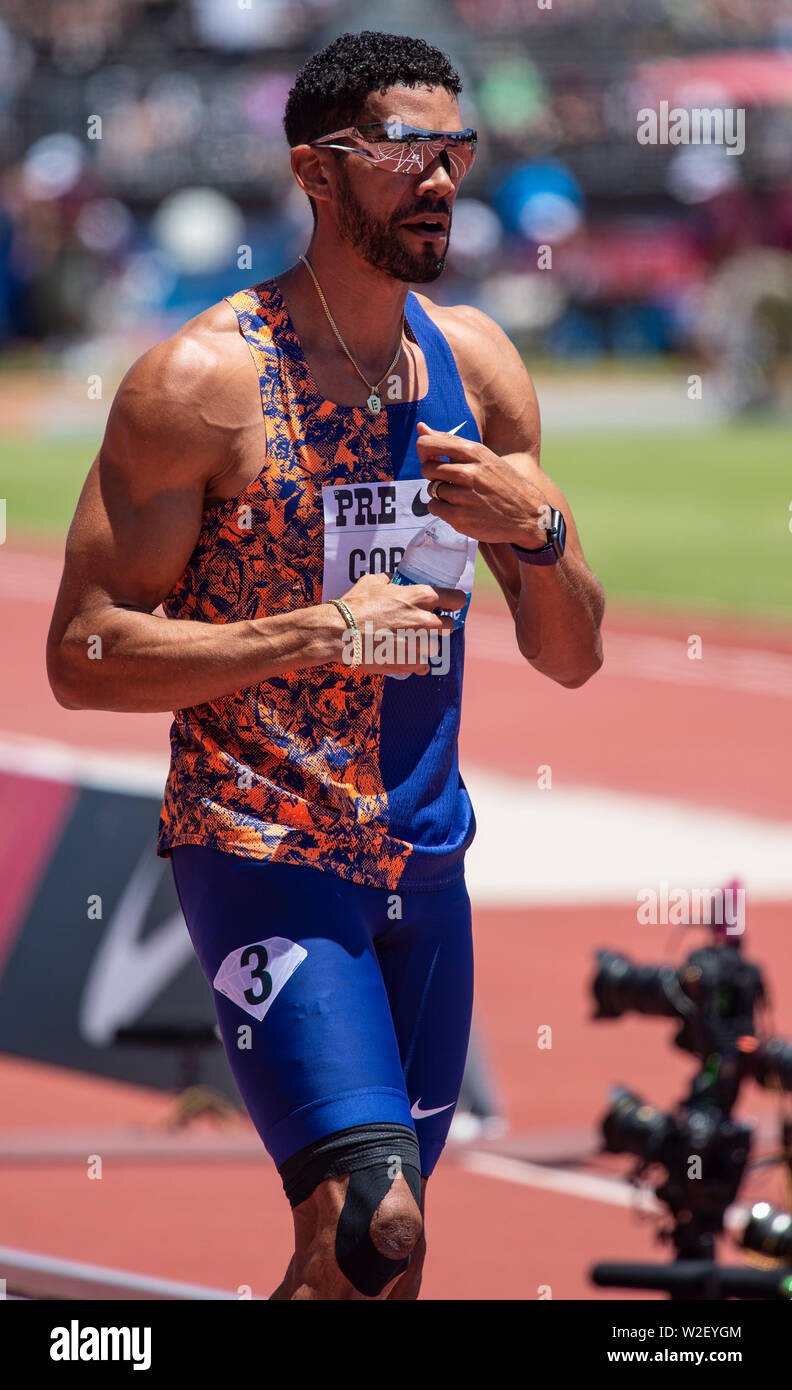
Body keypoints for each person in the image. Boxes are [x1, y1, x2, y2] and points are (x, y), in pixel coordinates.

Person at [47, 30, 604, 1300]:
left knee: (365, 1269)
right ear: (315, 169)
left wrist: (542, 531)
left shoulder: (480, 370)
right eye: (403, 149)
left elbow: (572, 656)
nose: (441, 178)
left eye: (454, 149)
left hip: (425, 861)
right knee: (373, 1226)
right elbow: (82, 654)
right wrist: (308, 629)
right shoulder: (201, 384)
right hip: (264, 850)